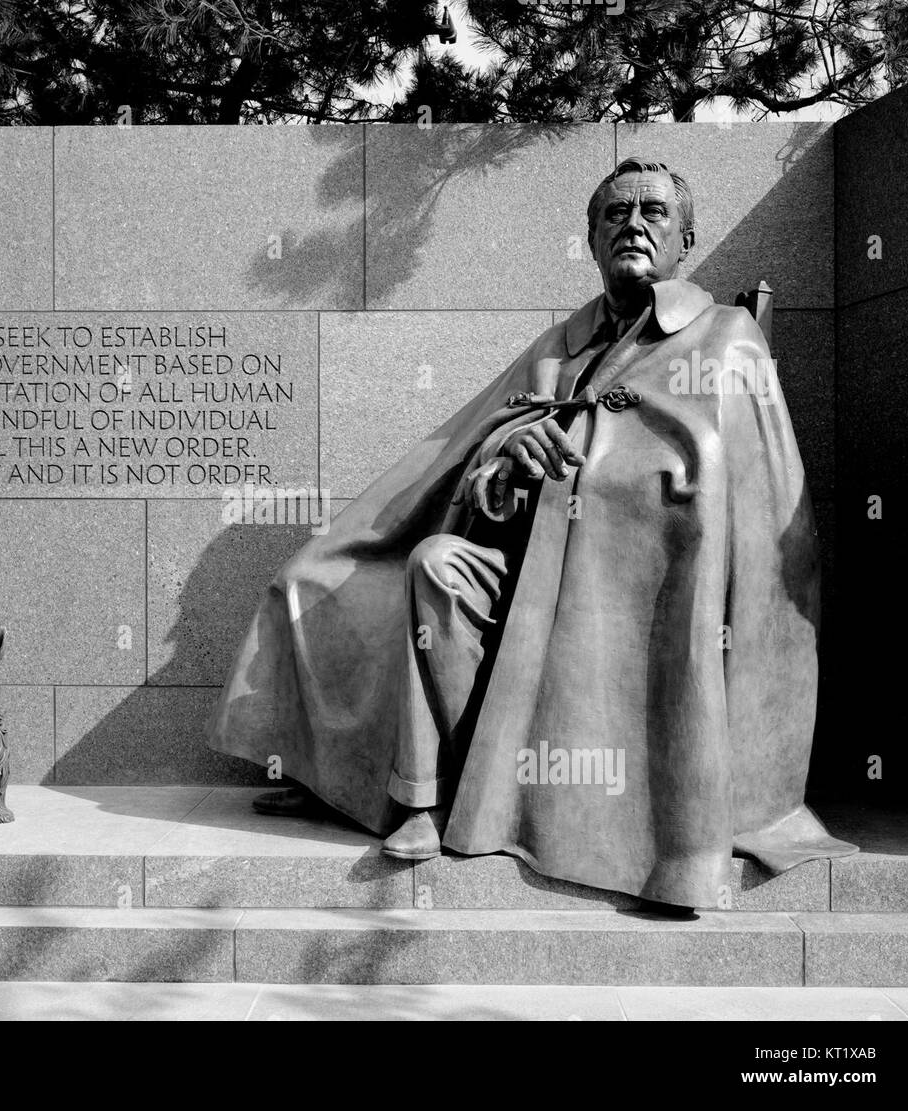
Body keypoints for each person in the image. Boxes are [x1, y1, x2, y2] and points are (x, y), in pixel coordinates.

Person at [206, 157, 856, 912]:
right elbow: (479, 464)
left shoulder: (724, 336)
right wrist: (511, 461)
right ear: (589, 237)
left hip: (644, 598)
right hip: (527, 578)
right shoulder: (560, 346)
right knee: (430, 563)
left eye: (652, 212)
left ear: (686, 239)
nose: (633, 225)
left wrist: (593, 471)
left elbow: (749, 494)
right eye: (614, 215)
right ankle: (410, 794)